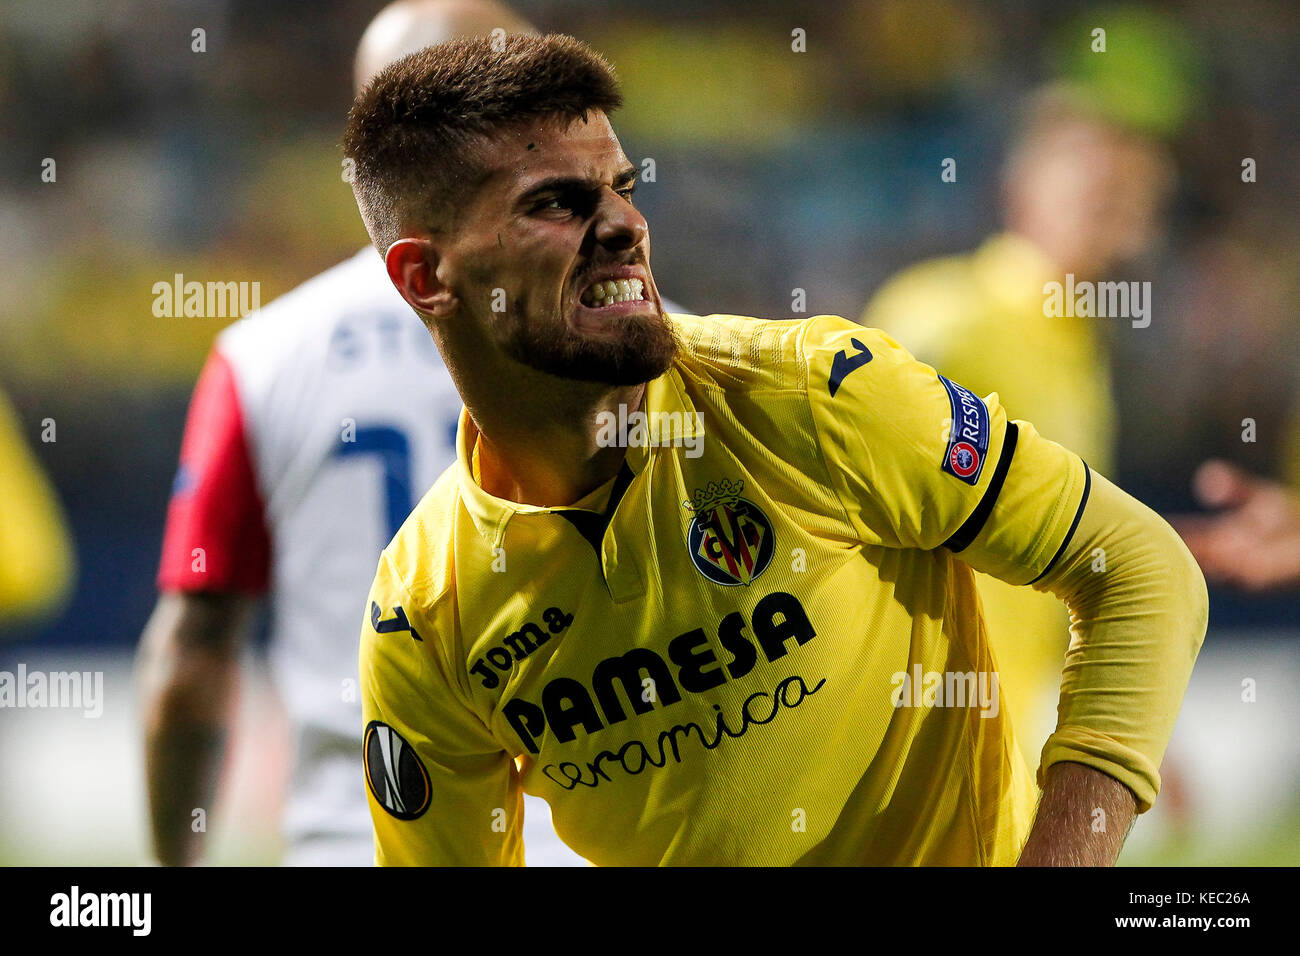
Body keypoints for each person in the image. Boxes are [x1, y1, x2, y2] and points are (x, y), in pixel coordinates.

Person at [344, 34, 1207, 865]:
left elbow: (1136, 565)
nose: (624, 226)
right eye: (555, 203)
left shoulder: (815, 397)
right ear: (425, 278)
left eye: (623, 186)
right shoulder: (426, 618)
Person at [137, 0, 616, 867]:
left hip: (355, 841)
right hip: (593, 840)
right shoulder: (655, 340)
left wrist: (174, 864)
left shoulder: (261, 358)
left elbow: (194, 647)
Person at [860, 85, 1175, 770]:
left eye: (1130, 191)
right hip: (925, 720)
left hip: (1009, 726)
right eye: (1093, 185)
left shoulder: (1078, 347)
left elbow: (1066, 561)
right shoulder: (947, 313)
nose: (1113, 205)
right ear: (1022, 191)